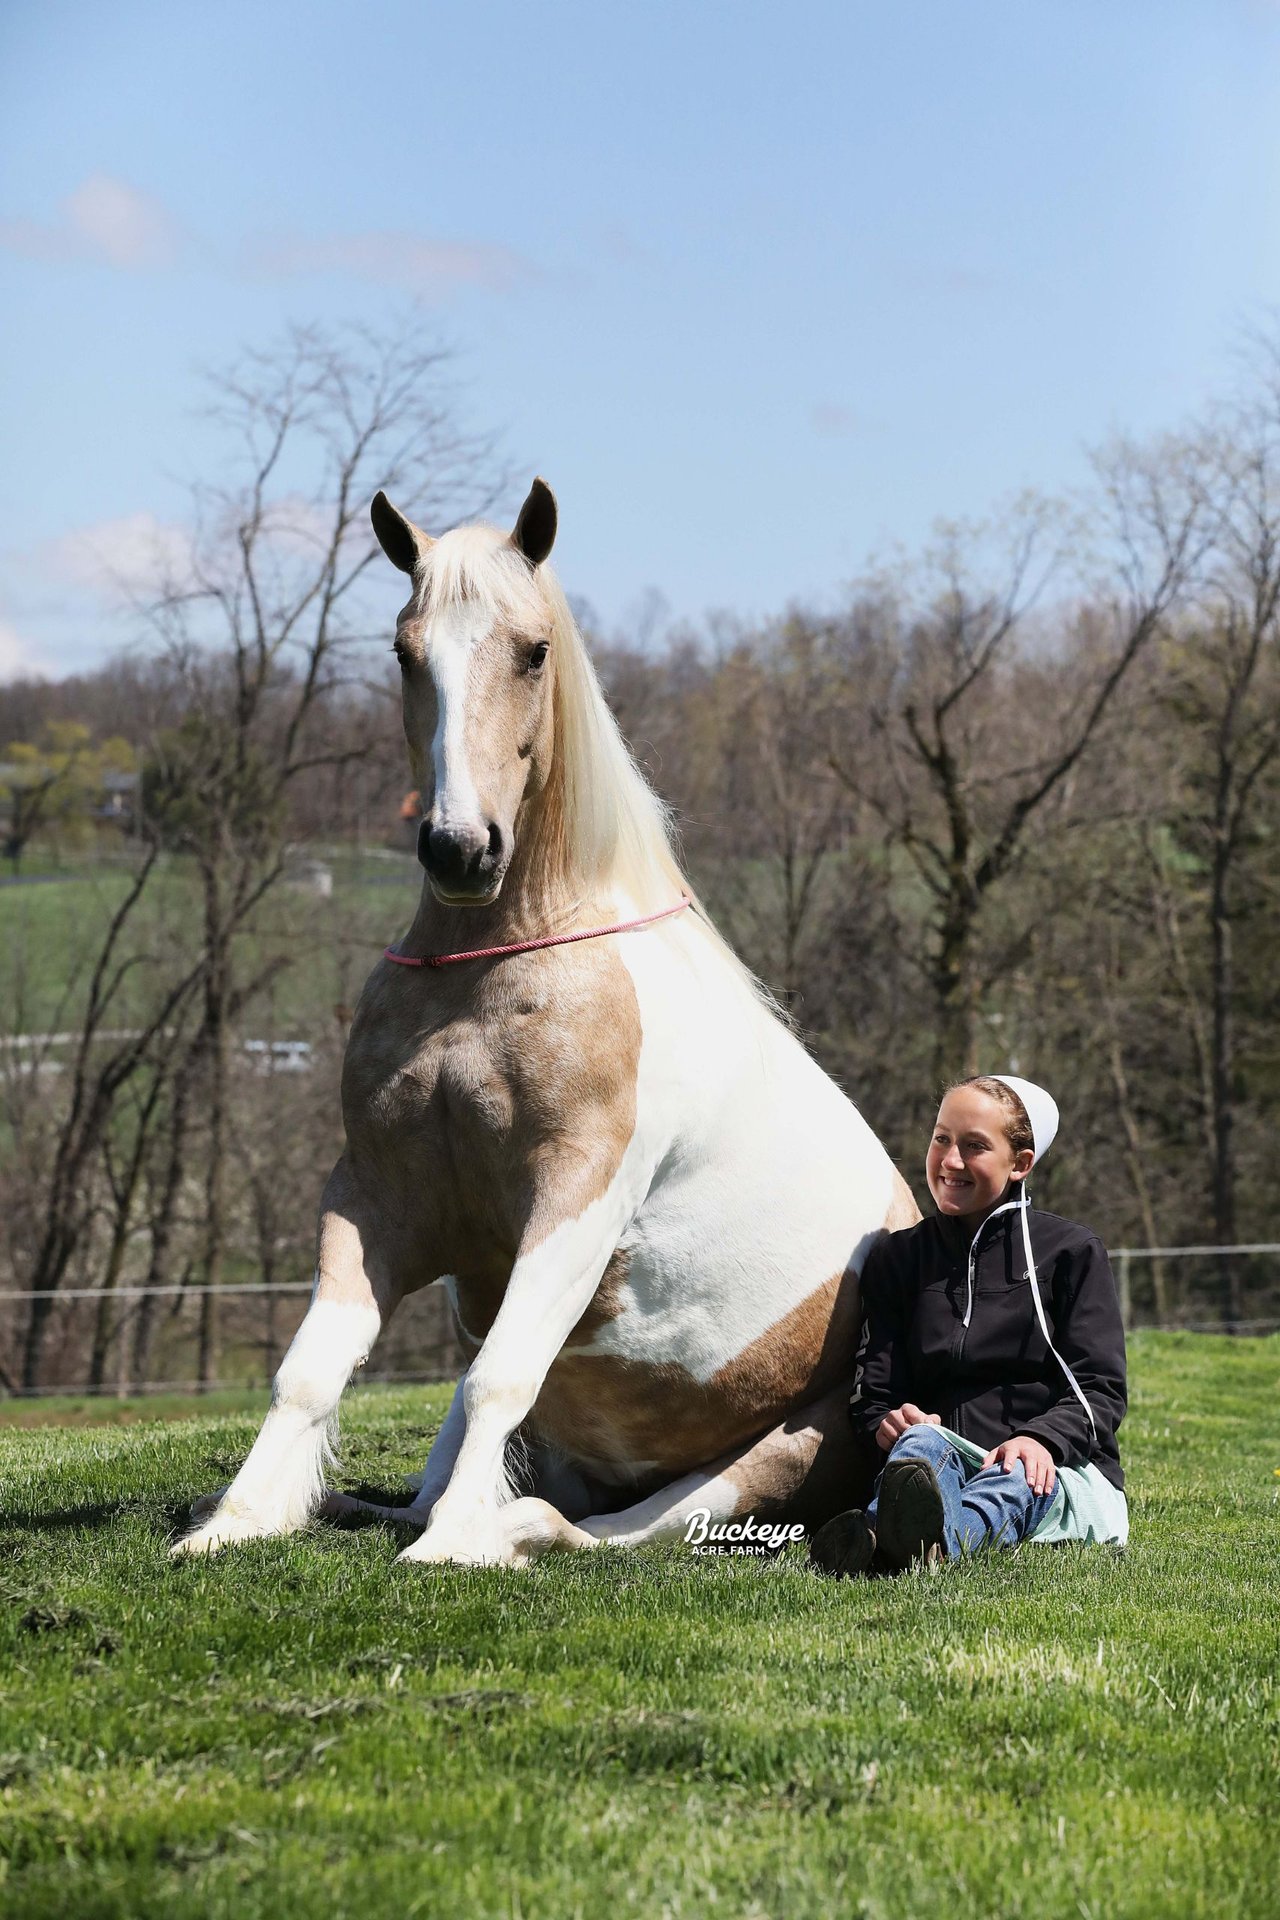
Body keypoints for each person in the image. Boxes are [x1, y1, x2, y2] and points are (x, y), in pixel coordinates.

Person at [810, 1074, 1128, 1577]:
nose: (950, 1161)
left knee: (1015, 1477)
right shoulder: (898, 1257)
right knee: (919, 1447)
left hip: (1050, 1467)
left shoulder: (1071, 1253)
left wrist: (1041, 1439)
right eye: (942, 1139)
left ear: (1020, 1163)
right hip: (944, 1460)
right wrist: (888, 1422)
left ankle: (888, 1542)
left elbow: (1100, 1391)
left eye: (974, 1146)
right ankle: (917, 1544)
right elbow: (873, 1395)